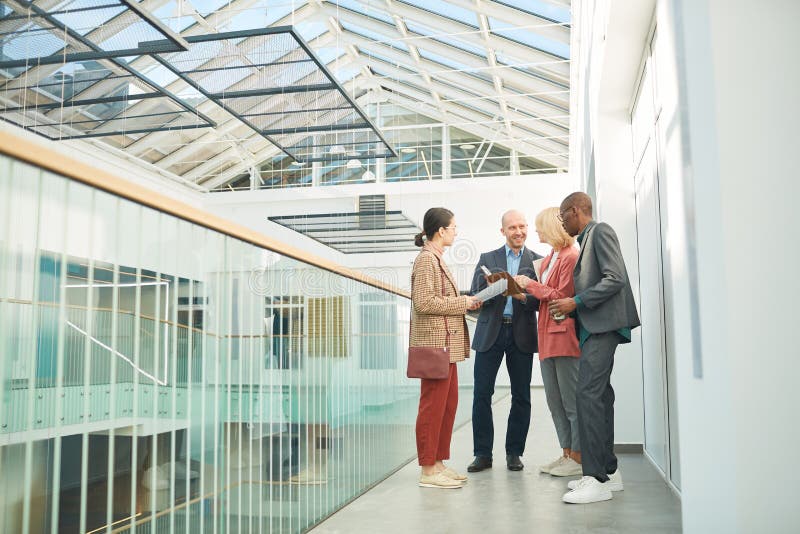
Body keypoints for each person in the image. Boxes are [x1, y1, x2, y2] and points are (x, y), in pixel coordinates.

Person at [548, 192, 641, 504]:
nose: (561, 221)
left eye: (563, 215)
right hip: (596, 327)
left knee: (587, 394)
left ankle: (595, 478)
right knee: (600, 396)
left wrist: (575, 301)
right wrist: (573, 306)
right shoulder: (587, 238)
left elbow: (615, 278)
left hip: (604, 326)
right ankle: (609, 472)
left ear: (575, 211)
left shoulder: (600, 231)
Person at [411, 207, 482, 489]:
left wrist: (466, 301)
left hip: (445, 346)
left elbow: (436, 300)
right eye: (454, 227)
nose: (456, 231)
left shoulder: (436, 259)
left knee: (447, 406)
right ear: (441, 231)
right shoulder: (427, 260)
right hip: (434, 346)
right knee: (432, 407)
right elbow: (424, 302)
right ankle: (428, 470)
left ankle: (437, 462)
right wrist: (463, 303)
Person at [467, 210, 541, 473]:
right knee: (481, 394)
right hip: (491, 333)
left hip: (521, 333)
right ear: (503, 231)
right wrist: (492, 290)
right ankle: (482, 454)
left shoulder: (538, 262)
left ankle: (514, 453)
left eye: (522, 226)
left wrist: (521, 294)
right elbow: (475, 295)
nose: (518, 231)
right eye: (512, 227)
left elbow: (541, 300)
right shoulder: (488, 258)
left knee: (521, 396)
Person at [513, 207, 582, 478]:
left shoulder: (570, 257)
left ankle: (578, 457)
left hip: (563, 337)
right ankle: (566, 453)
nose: (536, 231)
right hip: (546, 338)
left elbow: (561, 296)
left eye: (539, 227)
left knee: (570, 402)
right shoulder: (552, 256)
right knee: (555, 401)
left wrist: (529, 284)